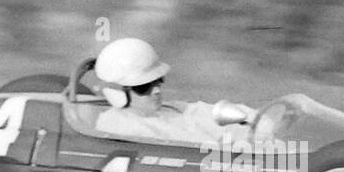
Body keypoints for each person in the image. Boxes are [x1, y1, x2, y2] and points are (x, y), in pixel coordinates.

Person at [93, 38, 254, 143]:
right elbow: (196, 150)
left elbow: (207, 113)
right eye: (144, 87)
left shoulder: (169, 109)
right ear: (117, 93)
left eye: (158, 81)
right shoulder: (121, 126)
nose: (156, 91)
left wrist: (259, 121)